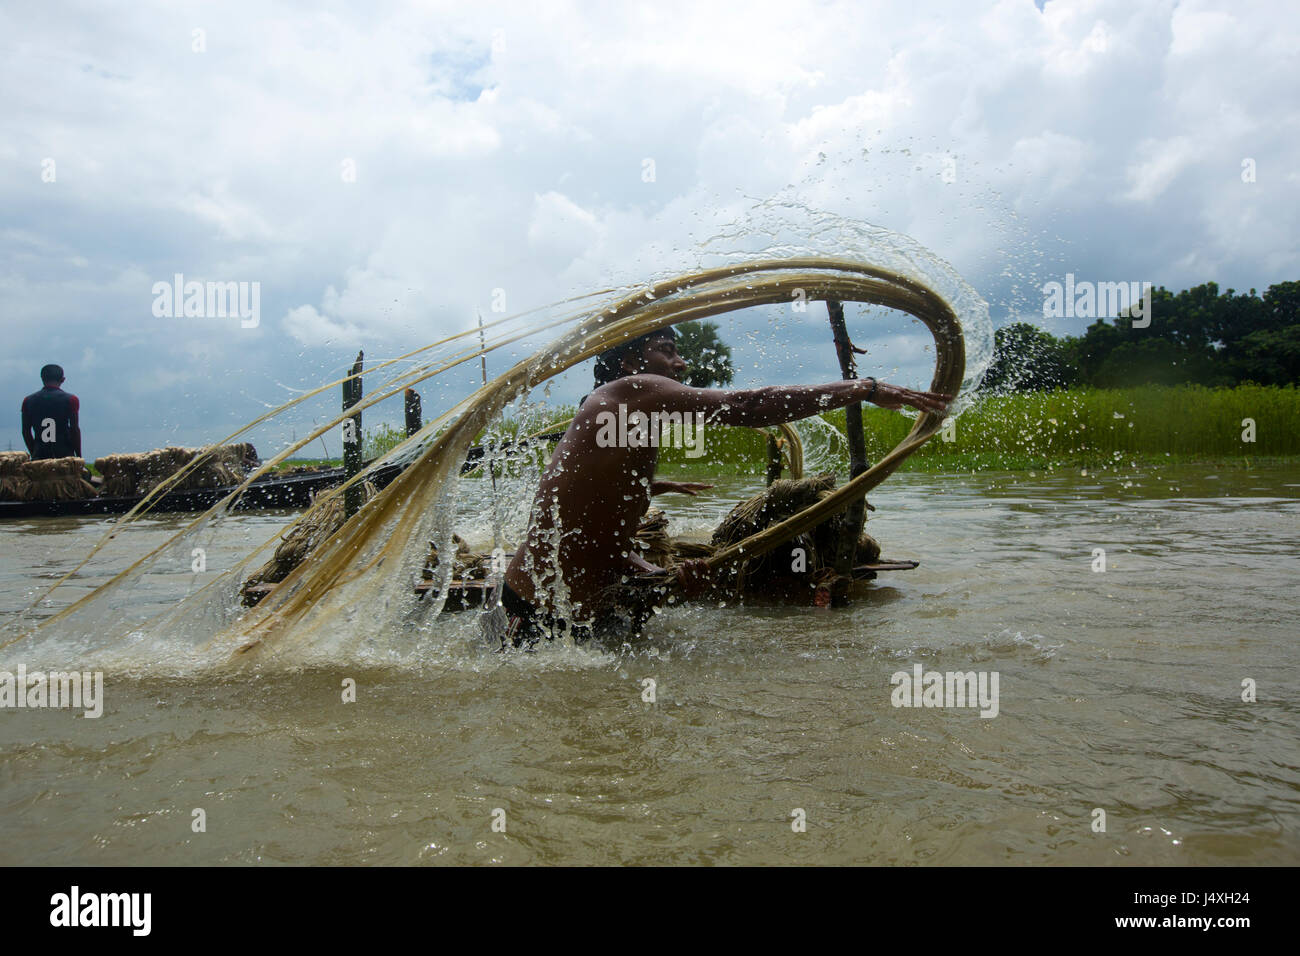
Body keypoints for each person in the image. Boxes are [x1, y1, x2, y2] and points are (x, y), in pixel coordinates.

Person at [491, 326, 952, 647]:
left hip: (588, 617)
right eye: (666, 349)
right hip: (538, 616)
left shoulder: (626, 416)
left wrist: (653, 573)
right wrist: (863, 389)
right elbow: (748, 403)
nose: (680, 361)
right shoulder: (631, 390)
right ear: (631, 359)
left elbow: (594, 524)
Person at [21, 364, 82, 461]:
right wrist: (78, 456)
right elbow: (74, 429)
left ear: (42, 378)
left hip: (40, 453)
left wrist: (34, 453)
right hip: (64, 454)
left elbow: (26, 431)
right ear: (62, 379)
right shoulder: (71, 399)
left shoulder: (27, 401)